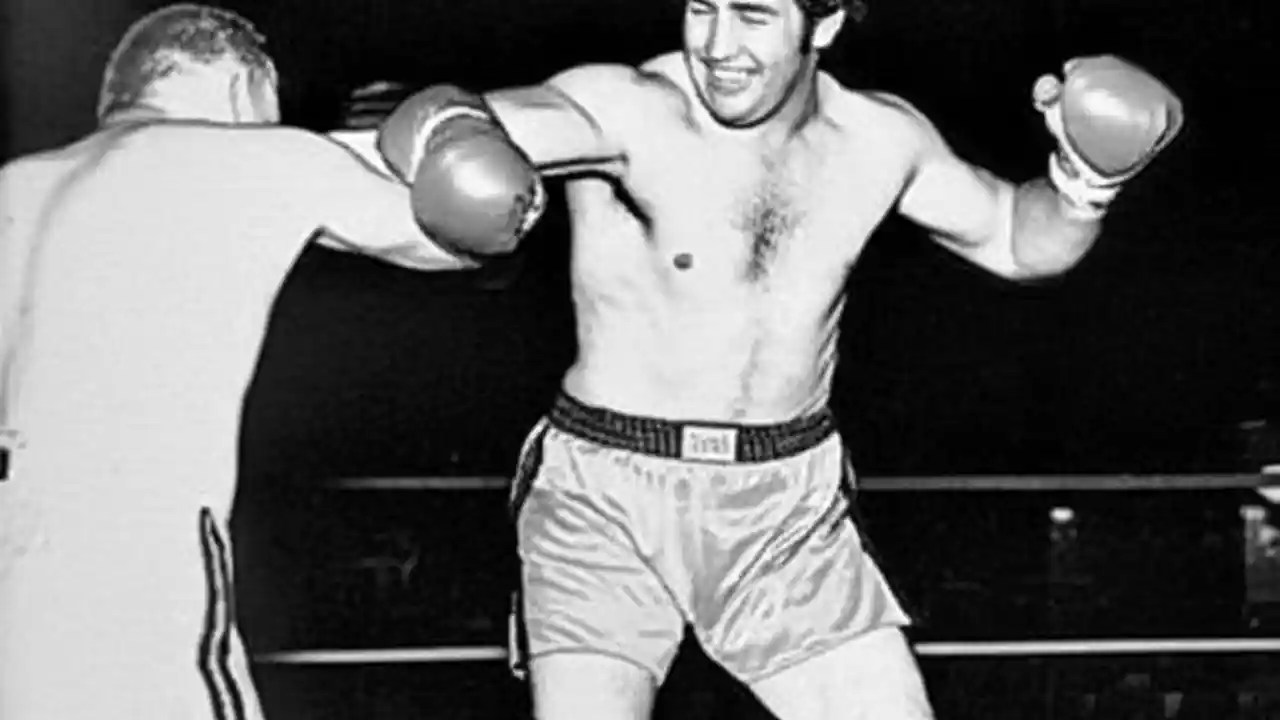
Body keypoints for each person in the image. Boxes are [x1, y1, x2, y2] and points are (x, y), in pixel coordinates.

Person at [372, 0, 1183, 717]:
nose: (717, 44)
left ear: (823, 23)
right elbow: (473, 118)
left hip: (782, 507)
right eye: (702, 8)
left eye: (753, 15)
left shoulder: (879, 138)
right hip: (602, 495)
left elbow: (1014, 237)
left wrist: (1084, 181)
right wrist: (452, 135)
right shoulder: (627, 107)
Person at [0, 4, 541, 719]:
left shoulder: (17, 182)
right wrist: (451, 131)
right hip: (128, 551)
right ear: (240, 89)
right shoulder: (251, 154)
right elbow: (476, 221)